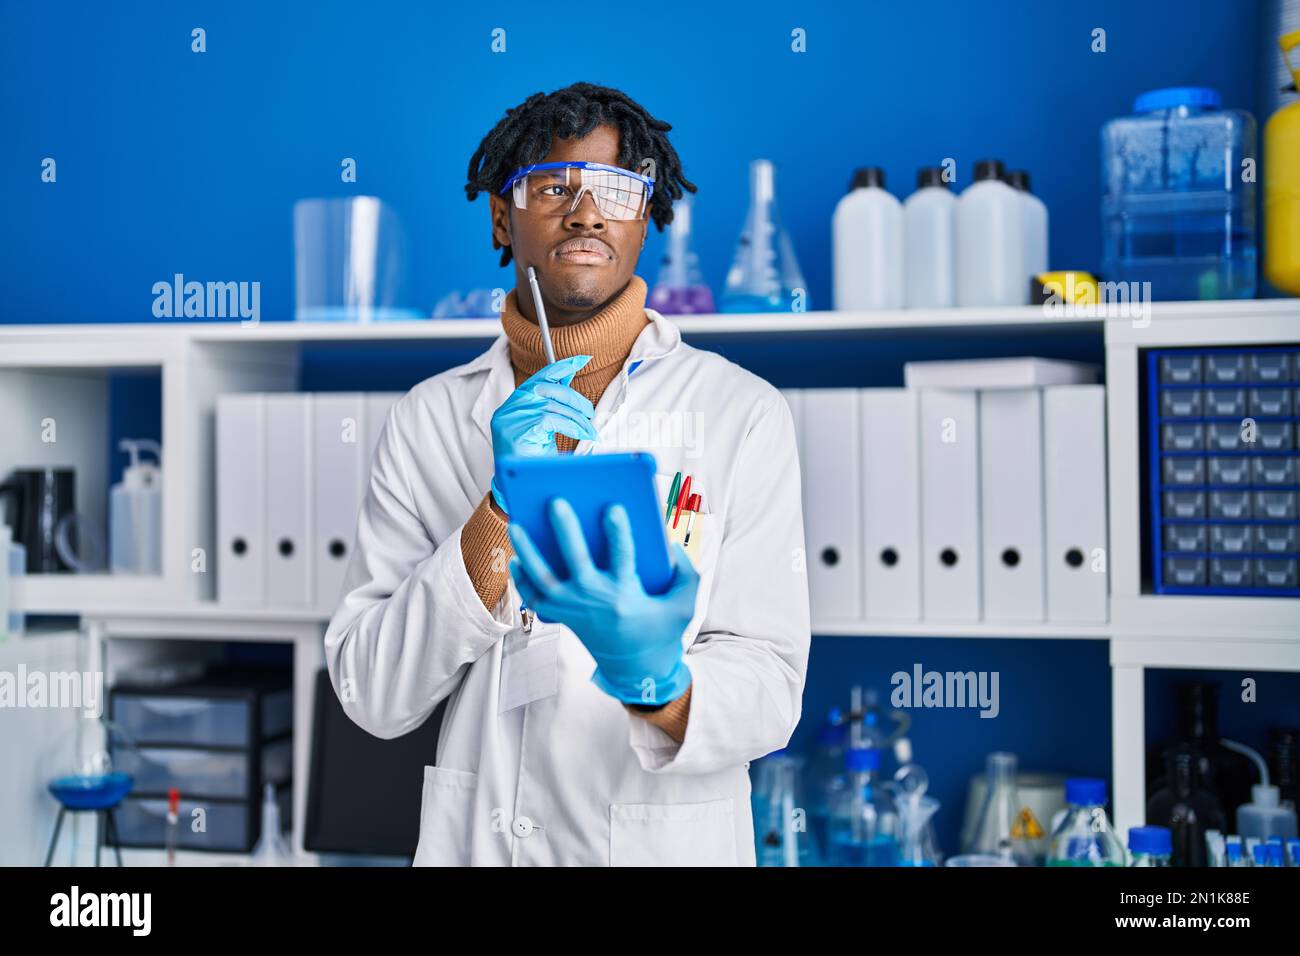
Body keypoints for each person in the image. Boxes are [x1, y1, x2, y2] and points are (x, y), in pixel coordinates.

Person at [324, 82, 810, 866]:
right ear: (500, 217)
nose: (586, 212)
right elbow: (372, 692)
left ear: (646, 218)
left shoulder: (739, 412)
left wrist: (659, 680)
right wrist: (497, 514)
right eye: (553, 186)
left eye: (616, 189)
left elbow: (772, 687)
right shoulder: (427, 419)